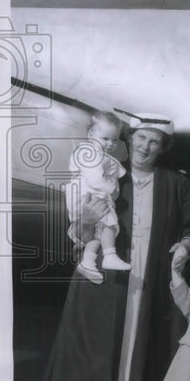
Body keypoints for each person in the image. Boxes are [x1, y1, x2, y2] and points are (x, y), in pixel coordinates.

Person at [42, 112, 190, 381]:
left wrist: (185, 244)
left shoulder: (176, 184)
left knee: (137, 362)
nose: (146, 147)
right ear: (129, 139)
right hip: (103, 278)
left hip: (149, 282)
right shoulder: (110, 172)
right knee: (96, 360)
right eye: (141, 138)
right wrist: (84, 217)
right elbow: (81, 234)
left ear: (163, 147)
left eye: (155, 141)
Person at [65, 110, 131, 285]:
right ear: (90, 135)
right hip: (86, 194)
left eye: (115, 140)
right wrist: (111, 188)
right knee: (108, 221)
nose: (110, 144)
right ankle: (110, 255)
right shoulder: (89, 152)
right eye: (105, 139)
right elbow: (95, 179)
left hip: (88, 193)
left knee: (98, 229)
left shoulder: (98, 154)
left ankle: (88, 261)